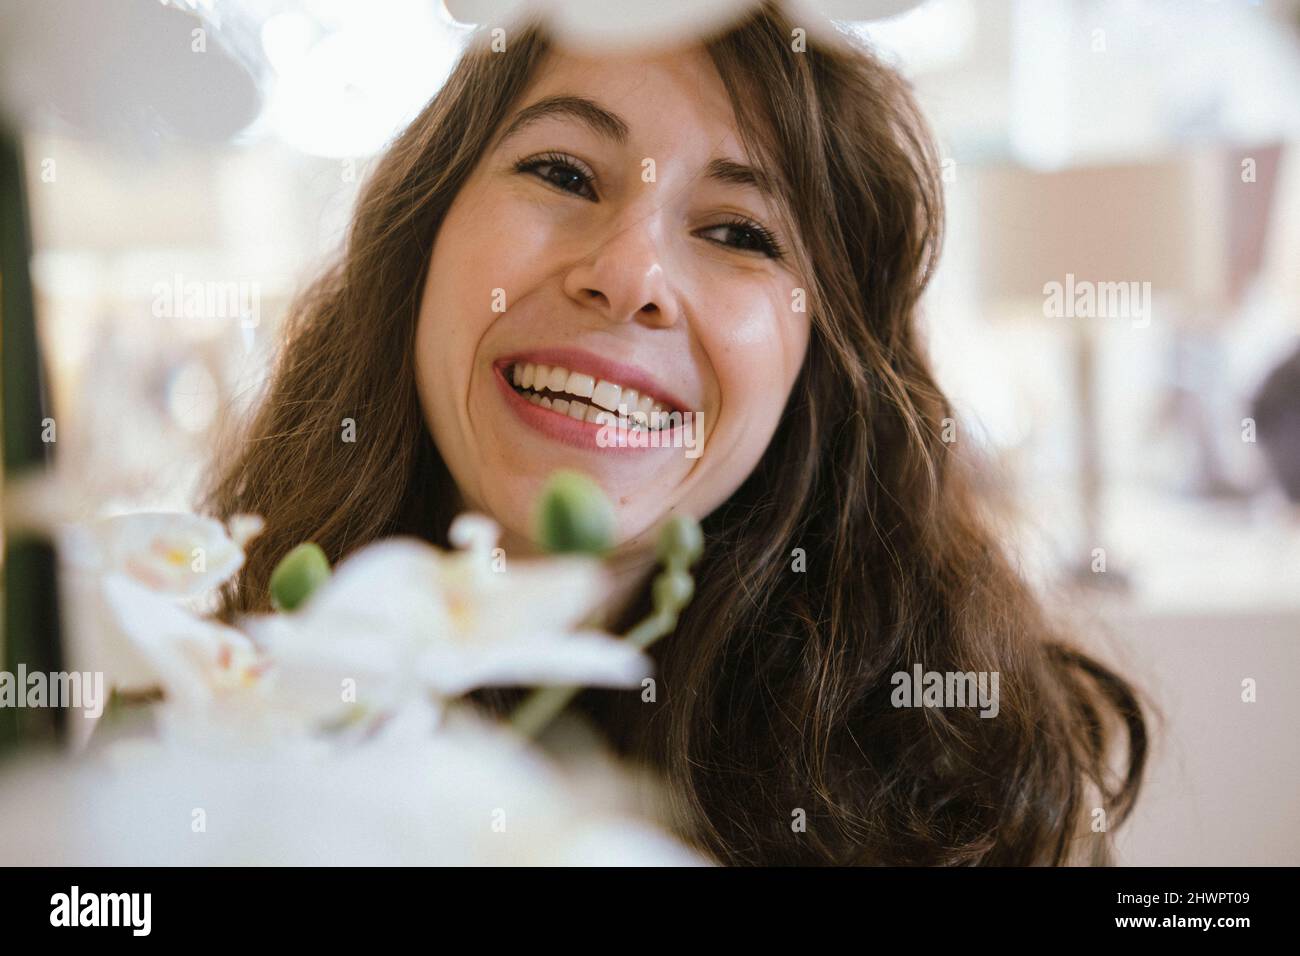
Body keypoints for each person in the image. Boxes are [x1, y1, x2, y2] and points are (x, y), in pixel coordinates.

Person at [206, 1, 1147, 865]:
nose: (628, 274)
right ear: (422, 233)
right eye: (563, 172)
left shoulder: (964, 792)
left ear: (819, 362)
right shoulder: (211, 715)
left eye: (740, 232)